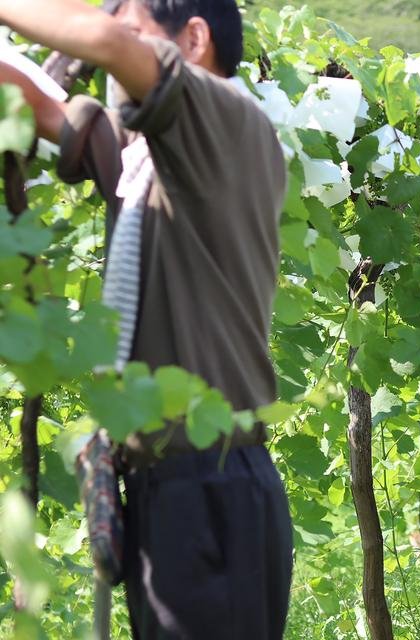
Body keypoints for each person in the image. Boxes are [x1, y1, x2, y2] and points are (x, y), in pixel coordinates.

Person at [0, 1, 293, 637]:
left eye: (136, 35)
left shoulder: (225, 116)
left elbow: (99, 37)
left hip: (211, 488)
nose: (114, 57)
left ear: (193, 40)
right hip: (176, 487)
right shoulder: (157, 156)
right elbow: (48, 109)